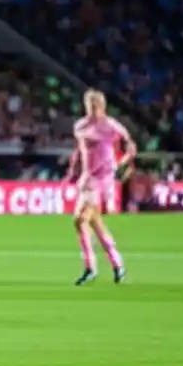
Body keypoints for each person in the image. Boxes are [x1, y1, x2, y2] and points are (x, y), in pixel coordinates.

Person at [66, 89, 135, 286]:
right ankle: (117, 264)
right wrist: (72, 168)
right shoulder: (80, 126)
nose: (93, 107)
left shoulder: (110, 126)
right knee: (93, 222)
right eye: (90, 104)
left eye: (95, 104)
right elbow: (79, 150)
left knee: (81, 219)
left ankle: (90, 268)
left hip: (103, 180)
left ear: (102, 105)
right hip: (87, 179)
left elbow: (130, 145)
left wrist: (122, 164)